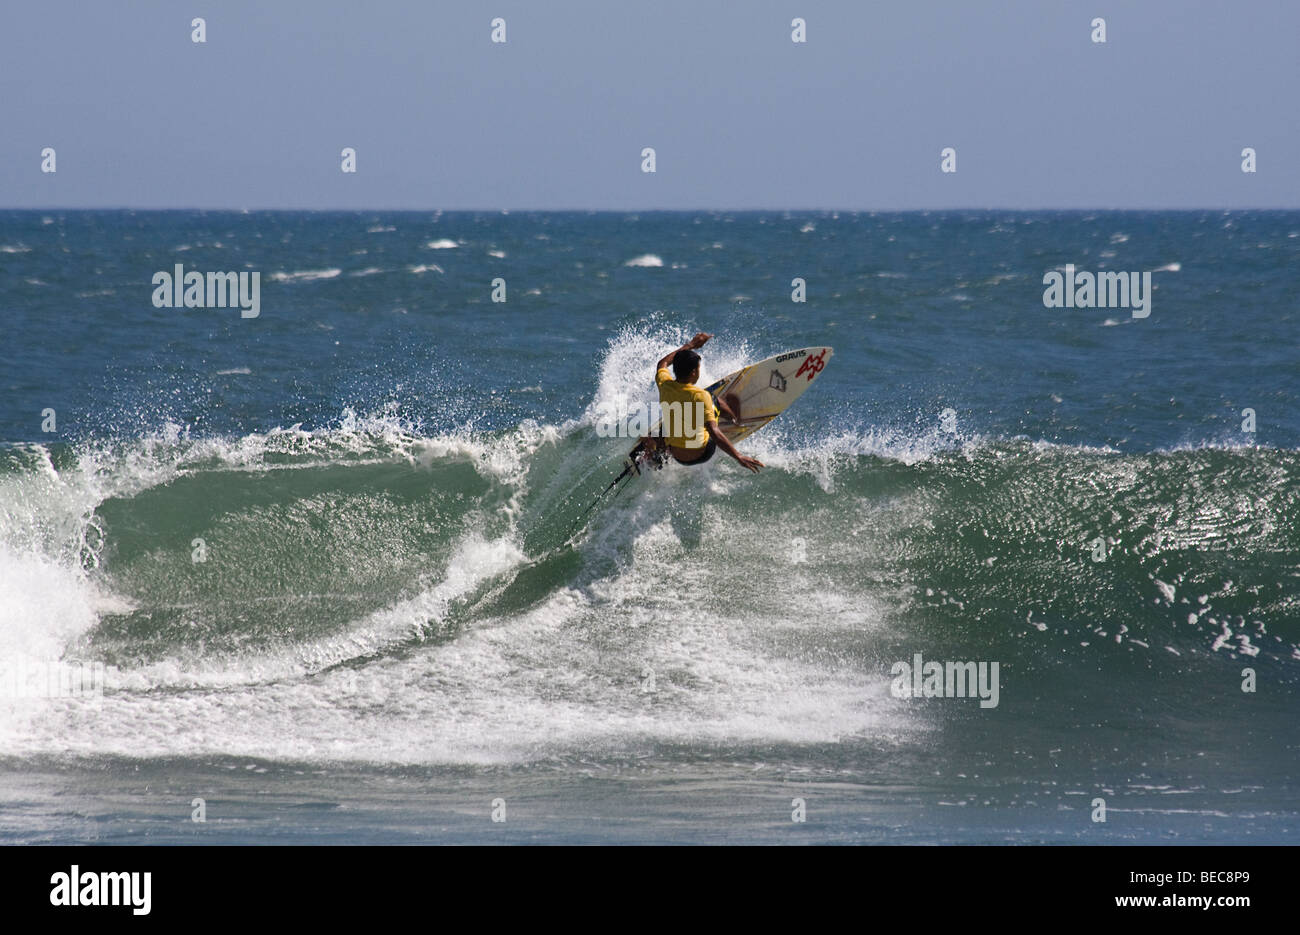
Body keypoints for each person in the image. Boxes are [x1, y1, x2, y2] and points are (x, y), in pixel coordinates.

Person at [638, 332, 763, 473]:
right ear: (693, 373)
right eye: (698, 368)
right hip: (702, 453)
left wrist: (691, 345)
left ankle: (659, 454)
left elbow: (663, 363)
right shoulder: (701, 396)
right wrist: (738, 456)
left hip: (677, 455)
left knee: (665, 424)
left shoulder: (664, 384)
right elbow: (714, 432)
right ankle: (734, 419)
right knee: (714, 399)